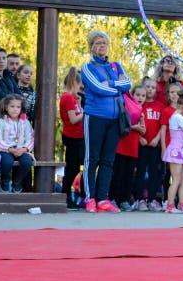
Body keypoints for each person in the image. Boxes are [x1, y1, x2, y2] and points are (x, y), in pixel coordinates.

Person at [80, 30, 131, 213]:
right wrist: (116, 86)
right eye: (98, 43)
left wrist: (111, 84)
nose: (102, 46)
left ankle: (103, 199)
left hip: (115, 119)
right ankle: (89, 198)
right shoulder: (87, 67)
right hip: (94, 117)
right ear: (91, 46)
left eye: (104, 43)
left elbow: (128, 84)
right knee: (91, 158)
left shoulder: (116, 66)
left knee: (108, 160)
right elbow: (97, 88)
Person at [109, 84, 146, 211]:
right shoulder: (125, 105)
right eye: (138, 95)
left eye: (143, 96)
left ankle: (124, 200)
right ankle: (113, 198)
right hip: (121, 145)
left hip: (133, 148)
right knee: (117, 173)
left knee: (129, 175)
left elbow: (143, 130)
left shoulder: (141, 111)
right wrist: (134, 127)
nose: (140, 98)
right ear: (132, 95)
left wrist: (140, 129)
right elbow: (122, 124)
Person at [0, 94, 35, 193]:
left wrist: (25, 149)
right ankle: (5, 181)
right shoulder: (1, 122)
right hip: (6, 150)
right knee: (6, 162)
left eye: (18, 107)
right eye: (12, 106)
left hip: (21, 149)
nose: (15, 109)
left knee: (27, 162)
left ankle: (17, 182)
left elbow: (31, 138)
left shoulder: (26, 122)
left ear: (21, 108)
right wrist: (9, 149)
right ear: (6, 107)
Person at [135, 77, 164, 211]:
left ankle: (153, 199)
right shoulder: (139, 105)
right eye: (148, 87)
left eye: (153, 87)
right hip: (141, 144)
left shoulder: (160, 106)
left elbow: (163, 126)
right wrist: (140, 138)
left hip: (155, 145)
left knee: (154, 173)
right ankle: (140, 199)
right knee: (140, 172)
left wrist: (157, 139)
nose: (150, 89)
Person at [163, 89, 183, 213]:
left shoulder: (180, 116)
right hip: (176, 150)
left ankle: (182, 204)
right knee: (176, 179)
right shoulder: (178, 117)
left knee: (182, 180)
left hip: (182, 151)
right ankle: (170, 206)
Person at [59, 67, 85, 210]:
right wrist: (86, 112)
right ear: (74, 83)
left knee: (75, 168)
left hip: (78, 135)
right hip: (72, 136)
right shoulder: (67, 97)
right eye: (79, 85)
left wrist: (80, 105)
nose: (80, 88)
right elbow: (73, 119)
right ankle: (66, 194)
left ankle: (71, 195)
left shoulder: (74, 98)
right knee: (72, 168)